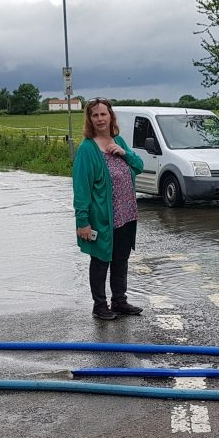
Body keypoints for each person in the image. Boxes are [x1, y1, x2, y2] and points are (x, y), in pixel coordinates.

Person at [72, 97, 146, 320]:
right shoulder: (87, 149)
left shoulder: (119, 141)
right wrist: (82, 221)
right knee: (101, 259)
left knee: (120, 259)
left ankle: (119, 301)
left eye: (103, 114)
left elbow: (139, 167)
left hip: (126, 215)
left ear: (110, 116)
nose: (100, 118)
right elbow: (81, 188)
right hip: (103, 217)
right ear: (90, 120)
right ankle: (100, 305)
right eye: (95, 115)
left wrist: (124, 153)